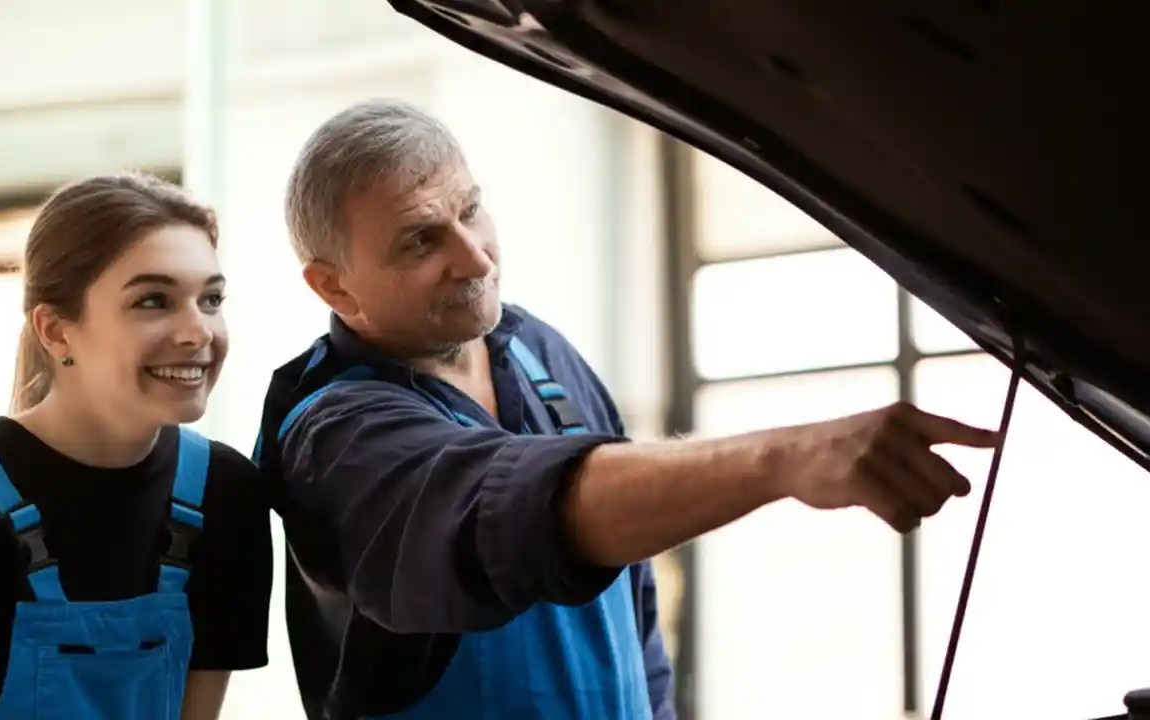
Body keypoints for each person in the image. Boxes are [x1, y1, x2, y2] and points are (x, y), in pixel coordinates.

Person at [252, 99, 999, 720]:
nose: (476, 258)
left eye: (471, 210)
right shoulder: (332, 437)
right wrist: (785, 457)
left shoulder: (538, 349)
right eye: (422, 240)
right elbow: (499, 509)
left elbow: (635, 612)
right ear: (334, 287)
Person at [0, 173, 273, 720]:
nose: (198, 331)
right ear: (57, 331)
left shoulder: (226, 496)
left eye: (211, 298)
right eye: (153, 301)